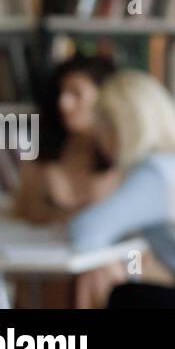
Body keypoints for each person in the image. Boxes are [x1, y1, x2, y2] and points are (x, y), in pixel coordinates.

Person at [66, 69, 175, 308]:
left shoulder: (157, 173)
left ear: (119, 128)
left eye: (102, 130)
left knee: (123, 295)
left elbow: (85, 231)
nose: (100, 142)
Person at [14, 53, 121, 225]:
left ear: (105, 98)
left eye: (76, 93)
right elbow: (21, 215)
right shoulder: (41, 154)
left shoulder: (124, 154)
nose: (63, 103)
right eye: (60, 93)